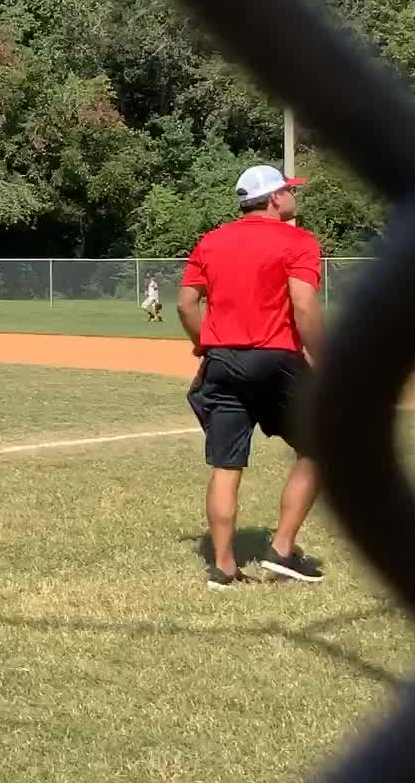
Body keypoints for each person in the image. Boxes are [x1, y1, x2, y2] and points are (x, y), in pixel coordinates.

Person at [177, 165, 324, 590]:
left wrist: (204, 344)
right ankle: (281, 550)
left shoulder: (211, 240)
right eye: (289, 190)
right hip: (276, 358)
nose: (294, 196)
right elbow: (304, 304)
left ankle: (223, 568)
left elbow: (186, 303)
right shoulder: (298, 241)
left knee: (226, 464)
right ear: (275, 198)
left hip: (222, 361)